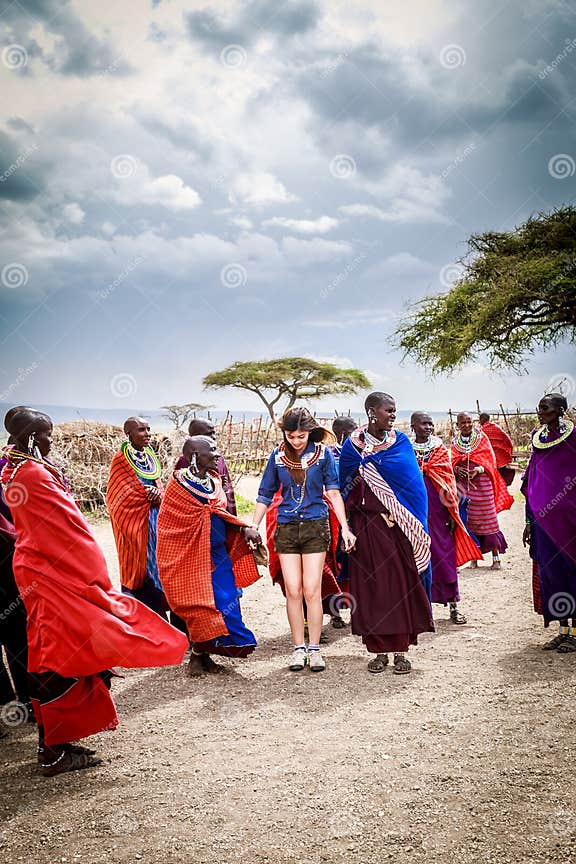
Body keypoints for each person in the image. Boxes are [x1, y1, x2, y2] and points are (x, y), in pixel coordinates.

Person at [1, 408, 188, 776]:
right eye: (46, 435)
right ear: (29, 438)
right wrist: (95, 576)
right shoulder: (35, 475)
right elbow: (69, 529)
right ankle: (51, 749)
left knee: (51, 650)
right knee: (64, 653)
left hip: (39, 569)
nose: (51, 442)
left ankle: (56, 738)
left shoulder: (15, 469)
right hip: (54, 573)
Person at [251, 408, 356, 673]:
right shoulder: (276, 457)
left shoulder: (323, 456)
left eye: (300, 436)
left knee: (312, 590)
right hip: (286, 528)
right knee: (293, 590)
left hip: (315, 526)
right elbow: (264, 493)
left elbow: (333, 491)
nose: (296, 441)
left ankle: (315, 649)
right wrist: (253, 525)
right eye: (290, 436)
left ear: (309, 432)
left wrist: (345, 528)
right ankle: (298, 648)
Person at [339, 393, 434, 675]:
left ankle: (401, 651)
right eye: (388, 410)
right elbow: (344, 487)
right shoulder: (352, 446)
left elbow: (413, 487)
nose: (393, 415)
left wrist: (400, 513)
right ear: (371, 412)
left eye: (395, 411)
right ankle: (378, 651)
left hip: (398, 529)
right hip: (366, 529)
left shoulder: (400, 442)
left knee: (400, 586)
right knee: (372, 590)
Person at [157, 436, 262, 676]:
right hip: (190, 558)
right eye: (211, 450)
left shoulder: (214, 481)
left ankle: (209, 652)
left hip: (218, 556)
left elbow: (219, 512)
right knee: (200, 608)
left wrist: (244, 528)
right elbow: (169, 527)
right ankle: (198, 655)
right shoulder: (178, 485)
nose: (217, 454)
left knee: (225, 603)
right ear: (194, 455)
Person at [410, 412, 482, 624]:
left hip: (440, 512)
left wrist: (453, 512)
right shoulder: (406, 449)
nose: (429, 427)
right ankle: (423, 612)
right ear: (413, 426)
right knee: (419, 559)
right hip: (415, 512)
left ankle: (453, 607)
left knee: (445, 558)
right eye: (424, 424)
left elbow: (449, 481)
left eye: (431, 423)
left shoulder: (440, 449)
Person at [522, 394, 576, 652]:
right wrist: (529, 520)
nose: (540, 412)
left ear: (561, 411)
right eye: (539, 407)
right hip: (543, 524)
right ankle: (562, 630)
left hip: (570, 523)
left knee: (572, 573)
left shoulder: (574, 439)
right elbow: (531, 481)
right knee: (552, 575)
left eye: (545, 408)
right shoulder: (538, 440)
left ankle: (575, 633)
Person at [450, 412, 514, 570]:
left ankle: (496, 557)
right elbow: (451, 460)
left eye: (469, 422)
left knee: (488, 518)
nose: (466, 425)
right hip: (463, 485)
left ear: (474, 422)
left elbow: (489, 460)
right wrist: (457, 468)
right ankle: (474, 558)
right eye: (462, 423)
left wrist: (477, 470)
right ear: (457, 425)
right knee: (469, 519)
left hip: (482, 483)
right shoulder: (454, 442)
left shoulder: (482, 438)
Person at [325, 416, 358, 629]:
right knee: (335, 563)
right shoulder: (329, 455)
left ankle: (357, 610)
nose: (357, 433)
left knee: (356, 564)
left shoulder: (360, 452)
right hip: (335, 516)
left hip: (356, 514)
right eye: (352, 430)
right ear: (343, 433)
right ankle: (335, 612)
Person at [174, 418, 236, 514]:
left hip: (220, 514)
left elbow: (228, 490)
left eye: (214, 433)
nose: (214, 437)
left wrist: (221, 490)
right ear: (194, 437)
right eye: (208, 434)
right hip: (193, 516)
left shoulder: (218, 459)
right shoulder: (184, 462)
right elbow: (179, 497)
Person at [479, 413, 515, 486]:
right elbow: (508, 440)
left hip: (488, 461)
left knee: (491, 483)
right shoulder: (497, 428)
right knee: (501, 482)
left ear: (481, 420)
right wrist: (508, 452)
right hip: (501, 460)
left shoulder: (481, 431)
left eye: (480, 420)